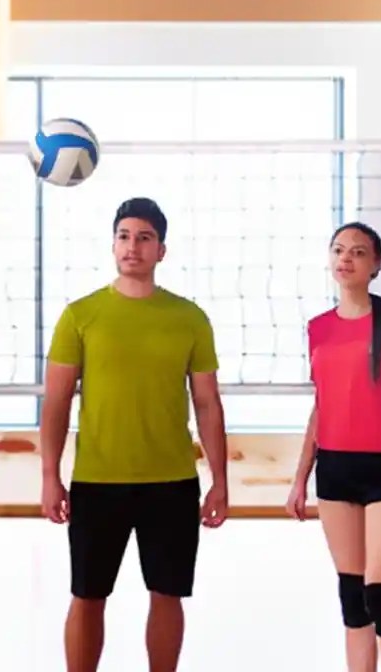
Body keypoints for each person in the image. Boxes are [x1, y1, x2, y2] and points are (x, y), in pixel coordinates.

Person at [39, 196, 229, 672]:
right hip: (98, 480)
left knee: (167, 593)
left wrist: (220, 481)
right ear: (113, 244)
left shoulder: (189, 318)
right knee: (87, 594)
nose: (133, 246)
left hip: (171, 482)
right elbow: (57, 401)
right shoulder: (80, 316)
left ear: (161, 250)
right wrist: (49, 476)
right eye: (124, 236)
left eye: (144, 238)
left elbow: (207, 403)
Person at [285, 221, 381, 672]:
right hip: (334, 470)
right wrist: (299, 478)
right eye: (338, 250)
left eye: (358, 252)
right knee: (353, 600)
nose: (345, 258)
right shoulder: (318, 329)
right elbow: (321, 407)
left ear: (375, 266)